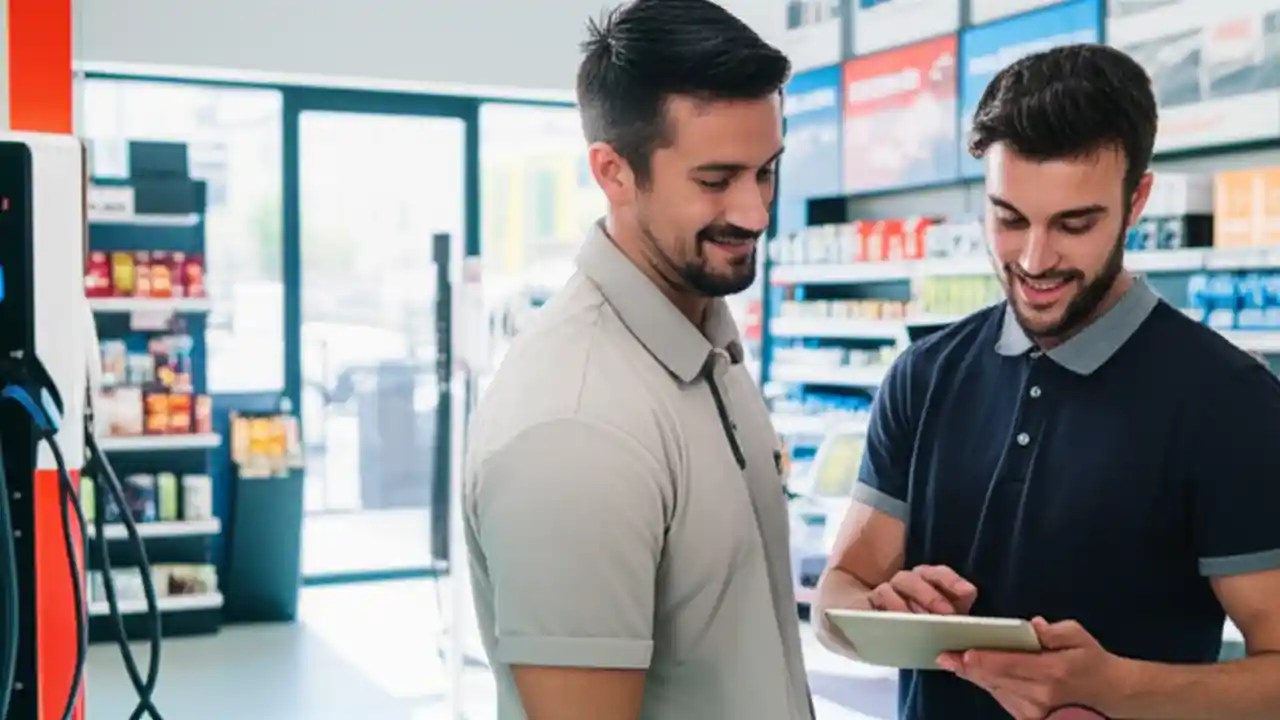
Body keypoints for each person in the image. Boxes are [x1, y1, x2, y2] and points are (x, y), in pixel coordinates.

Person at [815, 43, 1280, 720]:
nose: (1034, 260)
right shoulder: (922, 376)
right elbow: (838, 596)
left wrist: (1114, 689)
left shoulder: (1228, 401)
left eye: (1074, 224)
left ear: (1137, 199)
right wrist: (882, 611)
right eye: (1009, 219)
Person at [462, 1, 813, 718]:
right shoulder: (576, 426)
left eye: (766, 172)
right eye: (716, 180)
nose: (755, 212)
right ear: (614, 172)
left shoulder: (707, 345)